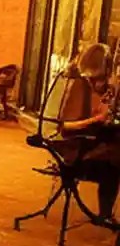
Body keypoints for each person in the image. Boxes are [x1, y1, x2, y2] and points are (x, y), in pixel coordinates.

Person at [51, 43, 119, 223]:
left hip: (87, 144)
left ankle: (105, 215)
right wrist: (96, 119)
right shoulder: (80, 85)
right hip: (75, 150)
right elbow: (66, 126)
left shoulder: (99, 88)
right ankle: (105, 215)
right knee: (114, 162)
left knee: (115, 155)